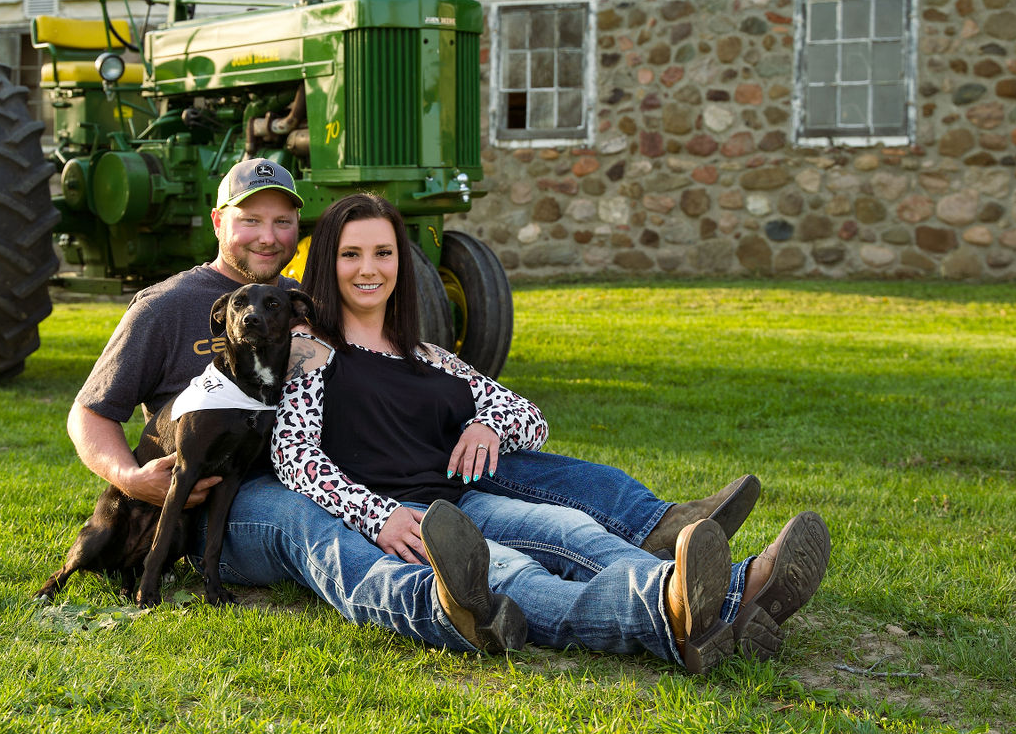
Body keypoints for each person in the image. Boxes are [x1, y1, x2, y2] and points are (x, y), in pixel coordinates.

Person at [68, 158, 767, 654]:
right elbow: (92, 414)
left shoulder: (319, 321)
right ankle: (442, 604)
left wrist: (484, 420)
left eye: (284, 223)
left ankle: (701, 570)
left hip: (387, 477)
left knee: (541, 499)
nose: (267, 236)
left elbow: (505, 408)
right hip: (243, 491)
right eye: (251, 220)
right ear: (221, 220)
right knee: (319, 521)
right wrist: (133, 478)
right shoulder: (170, 308)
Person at [271, 192, 831, 670]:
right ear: (327, 263)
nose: (369, 269)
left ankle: (731, 593)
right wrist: (378, 515)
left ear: (401, 262)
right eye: (351, 255)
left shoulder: (429, 355)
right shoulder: (311, 350)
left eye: (383, 253)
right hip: (415, 526)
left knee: (576, 532)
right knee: (518, 578)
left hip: (468, 499)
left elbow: (528, 417)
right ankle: (674, 610)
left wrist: (487, 425)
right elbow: (292, 454)